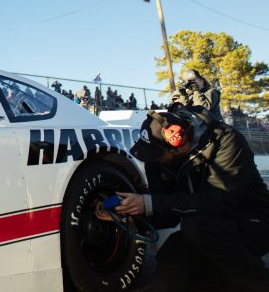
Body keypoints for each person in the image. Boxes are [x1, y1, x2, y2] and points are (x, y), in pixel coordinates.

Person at [113, 107, 269, 291]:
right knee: (171, 259)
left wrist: (150, 203)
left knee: (196, 227)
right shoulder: (156, 161)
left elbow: (217, 201)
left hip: (253, 222)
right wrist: (129, 215)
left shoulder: (226, 140)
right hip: (206, 227)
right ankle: (223, 277)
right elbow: (166, 214)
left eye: (157, 154)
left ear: (179, 141)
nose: (152, 160)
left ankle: (258, 282)